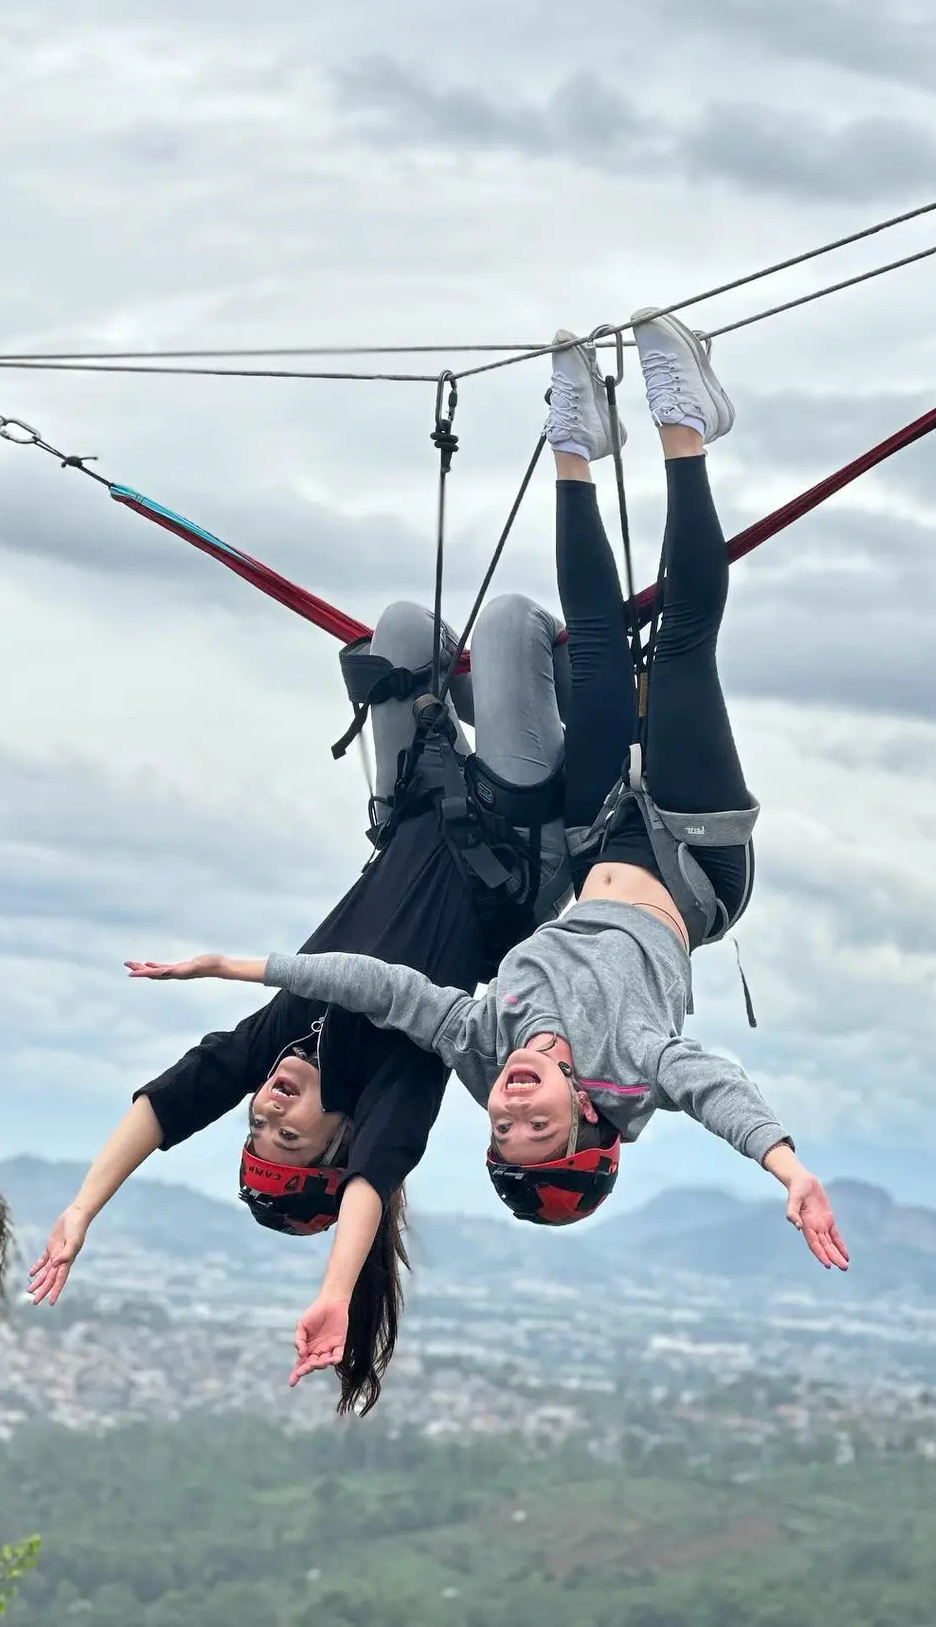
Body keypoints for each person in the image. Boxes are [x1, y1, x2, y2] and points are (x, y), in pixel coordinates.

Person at [180, 312, 849, 1271]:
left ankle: (575, 439)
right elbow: (718, 1093)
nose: (513, 1109)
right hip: (695, 862)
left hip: (593, 845)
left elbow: (389, 989)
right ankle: (684, 423)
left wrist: (251, 967)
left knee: (601, 635)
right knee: (688, 638)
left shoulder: (487, 1049)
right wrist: (788, 1170)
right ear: (592, 1119)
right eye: (538, 1128)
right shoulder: (636, 1067)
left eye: (501, 1132)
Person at [28, 589, 572, 1414]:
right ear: (342, 1139)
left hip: (424, 810)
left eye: (258, 1123)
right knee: (507, 625)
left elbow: (171, 1103)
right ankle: (558, 701)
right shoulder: (396, 1076)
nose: (270, 1104)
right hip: (516, 842)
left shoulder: (285, 1039)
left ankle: (511, 700)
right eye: (288, 1135)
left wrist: (80, 1211)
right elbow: (373, 1180)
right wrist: (335, 1292)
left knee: (401, 633)